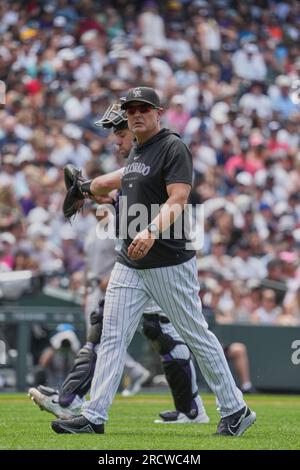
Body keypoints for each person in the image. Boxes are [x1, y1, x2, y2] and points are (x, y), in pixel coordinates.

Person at [51, 87, 256, 436]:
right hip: (130, 263)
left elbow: (178, 199)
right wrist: (87, 189)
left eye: (143, 108)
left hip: (168, 261)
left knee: (195, 334)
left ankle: (236, 409)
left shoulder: (172, 147)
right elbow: (114, 180)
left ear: (158, 112)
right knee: (113, 335)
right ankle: (93, 415)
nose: (136, 114)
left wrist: (149, 231)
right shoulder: (138, 151)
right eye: (130, 110)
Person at [28, 102, 209, 425]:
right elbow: (113, 191)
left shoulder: (151, 159)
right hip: (150, 258)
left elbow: (124, 190)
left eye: (121, 134)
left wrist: (87, 189)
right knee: (155, 330)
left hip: (164, 257)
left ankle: (69, 398)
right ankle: (190, 408)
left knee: (120, 325)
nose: (118, 142)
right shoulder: (140, 164)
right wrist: (102, 197)